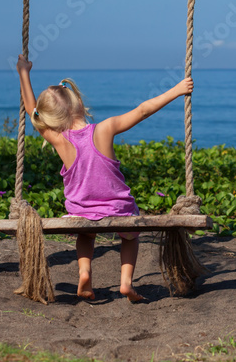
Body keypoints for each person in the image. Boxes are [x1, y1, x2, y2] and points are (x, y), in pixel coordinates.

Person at [16, 55, 193, 302]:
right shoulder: (105, 128)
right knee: (130, 237)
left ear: (51, 118)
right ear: (79, 104)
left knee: (85, 235)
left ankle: (85, 271)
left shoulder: (57, 138)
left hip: (82, 210)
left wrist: (23, 72)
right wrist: (177, 90)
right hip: (118, 209)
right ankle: (126, 284)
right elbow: (142, 111)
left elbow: (30, 109)